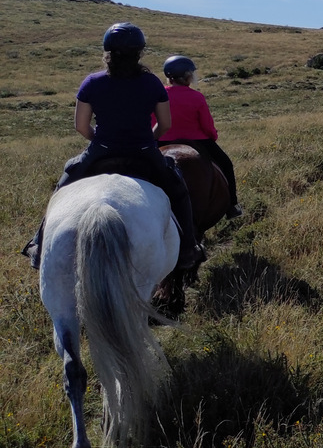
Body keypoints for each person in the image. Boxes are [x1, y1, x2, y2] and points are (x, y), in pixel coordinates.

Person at [21, 23, 203, 271]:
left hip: (102, 150)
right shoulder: (151, 83)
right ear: (140, 52)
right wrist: (146, 140)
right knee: (178, 189)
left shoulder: (92, 82)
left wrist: (101, 140)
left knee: (63, 186)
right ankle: (187, 249)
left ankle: (39, 245)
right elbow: (165, 124)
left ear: (107, 51)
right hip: (144, 152)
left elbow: (81, 126)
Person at [157, 55, 243, 218]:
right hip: (198, 141)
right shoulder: (197, 97)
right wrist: (213, 136)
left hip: (162, 140)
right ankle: (232, 205)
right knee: (226, 164)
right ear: (188, 76)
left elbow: (153, 120)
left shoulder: (159, 95)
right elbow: (207, 126)